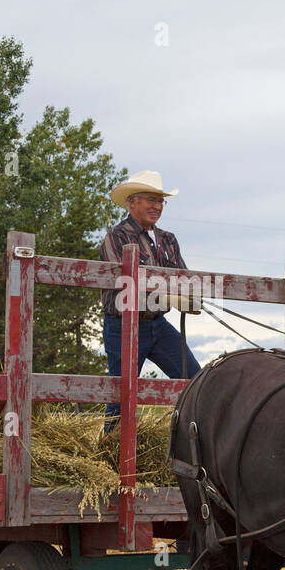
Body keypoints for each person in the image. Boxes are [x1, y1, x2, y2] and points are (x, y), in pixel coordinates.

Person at [98, 170, 200, 431]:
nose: (156, 207)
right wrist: (167, 295)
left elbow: (182, 278)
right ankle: (108, 454)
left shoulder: (168, 239)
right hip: (123, 325)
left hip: (158, 324)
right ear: (132, 202)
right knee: (122, 393)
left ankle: (187, 440)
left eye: (160, 201)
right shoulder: (117, 237)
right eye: (150, 200)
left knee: (195, 379)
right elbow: (125, 285)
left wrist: (189, 296)